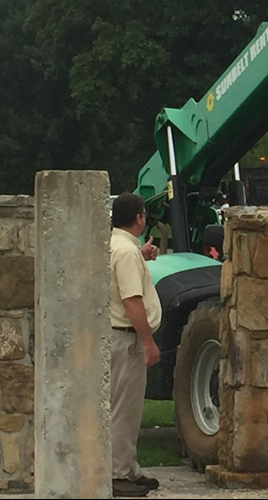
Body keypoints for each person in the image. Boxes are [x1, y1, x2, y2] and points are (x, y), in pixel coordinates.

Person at [109, 193, 163, 498]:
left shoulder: (117, 246)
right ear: (139, 218)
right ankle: (119, 474)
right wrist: (148, 341)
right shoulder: (126, 253)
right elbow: (131, 300)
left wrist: (140, 255)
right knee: (125, 409)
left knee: (122, 405)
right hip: (127, 338)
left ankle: (129, 468)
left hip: (116, 337)